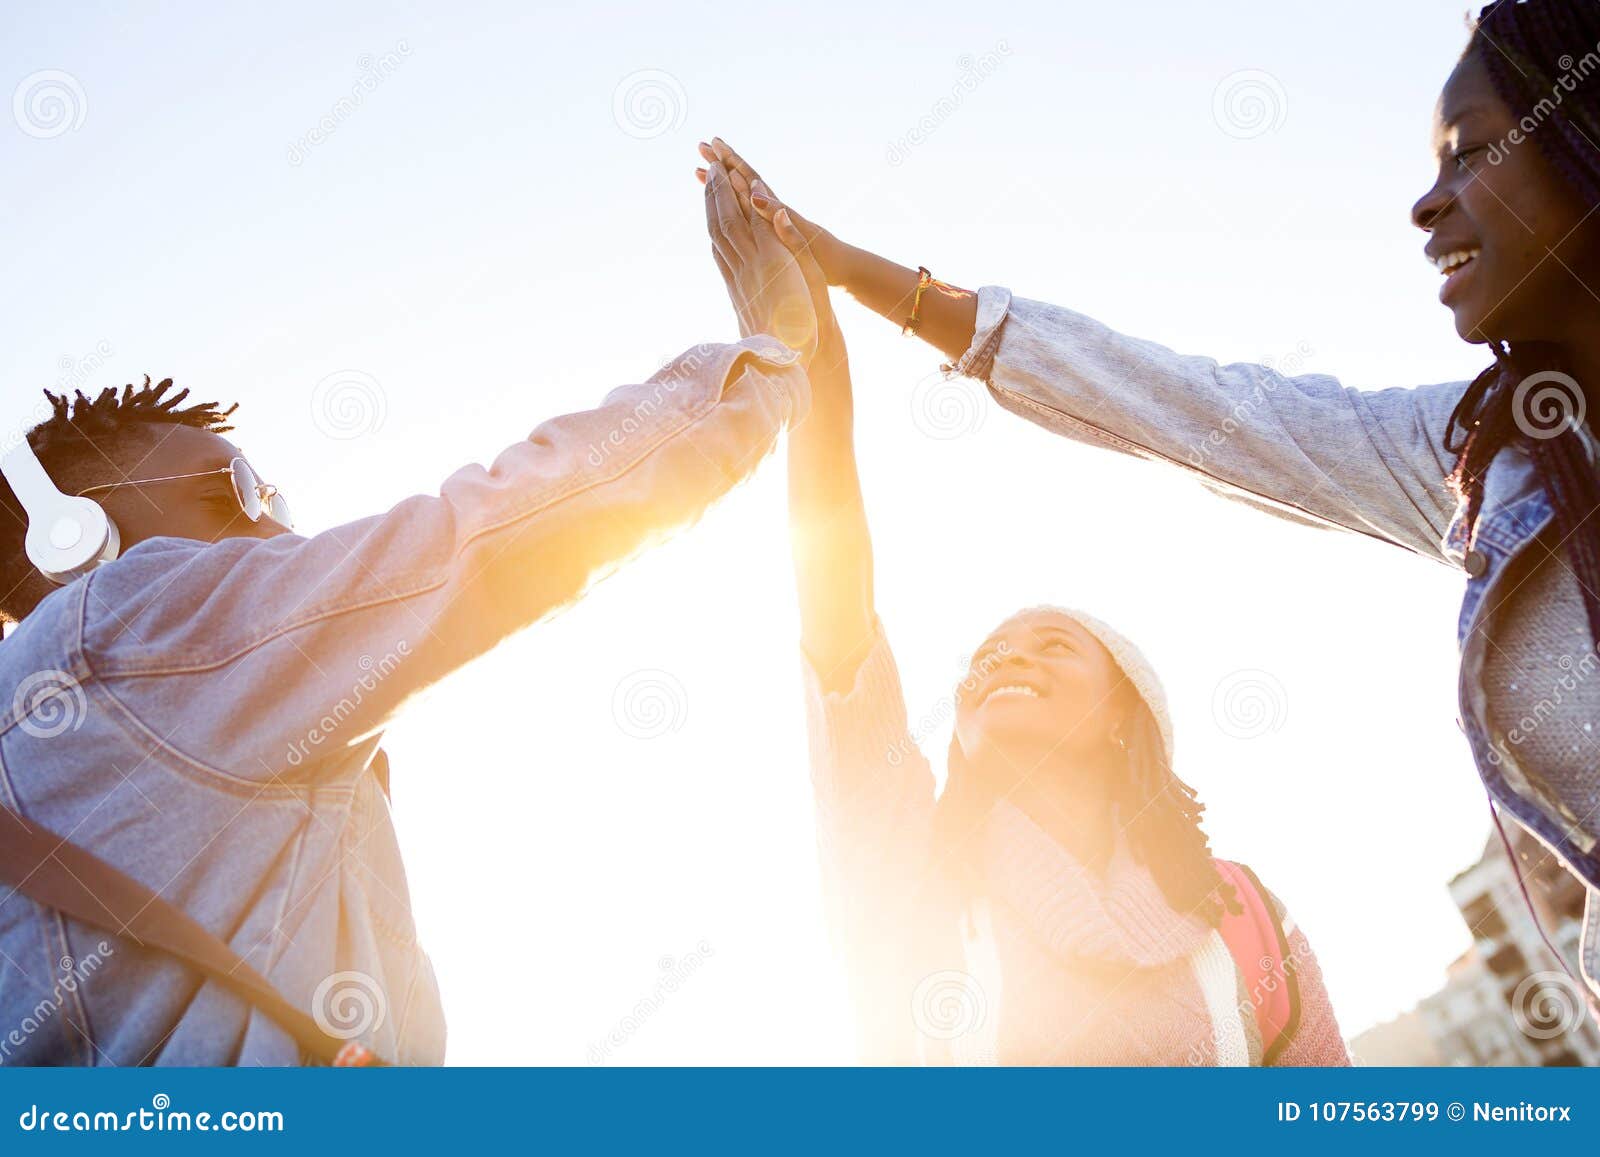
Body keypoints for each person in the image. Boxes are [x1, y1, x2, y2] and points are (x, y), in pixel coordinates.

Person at [700, 0, 1600, 1001]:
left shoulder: (1241, 931)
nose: (1427, 205)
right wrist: (836, 279)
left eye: (1470, 154)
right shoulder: (1498, 462)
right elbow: (1198, 411)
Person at [0, 165, 812, 1065]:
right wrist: (771, 353)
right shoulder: (128, 633)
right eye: (232, 487)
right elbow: (499, 531)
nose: (277, 520)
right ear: (66, 534)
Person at [702, 159, 1347, 1064]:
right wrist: (806, 342)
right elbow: (836, 587)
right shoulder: (906, 867)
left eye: (1052, 646)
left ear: (1131, 712)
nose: (1004, 661)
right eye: (989, 654)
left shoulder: (1242, 917)